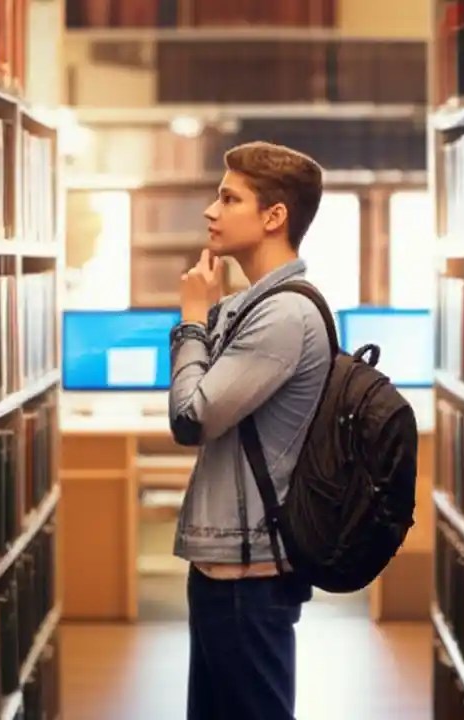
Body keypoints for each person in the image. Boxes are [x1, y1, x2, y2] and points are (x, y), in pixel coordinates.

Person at [167, 141, 331, 720]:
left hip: (250, 575)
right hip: (224, 567)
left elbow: (193, 418)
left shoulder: (283, 315)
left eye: (228, 197)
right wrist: (209, 314)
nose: (211, 211)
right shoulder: (248, 306)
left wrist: (190, 320)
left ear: (274, 216)